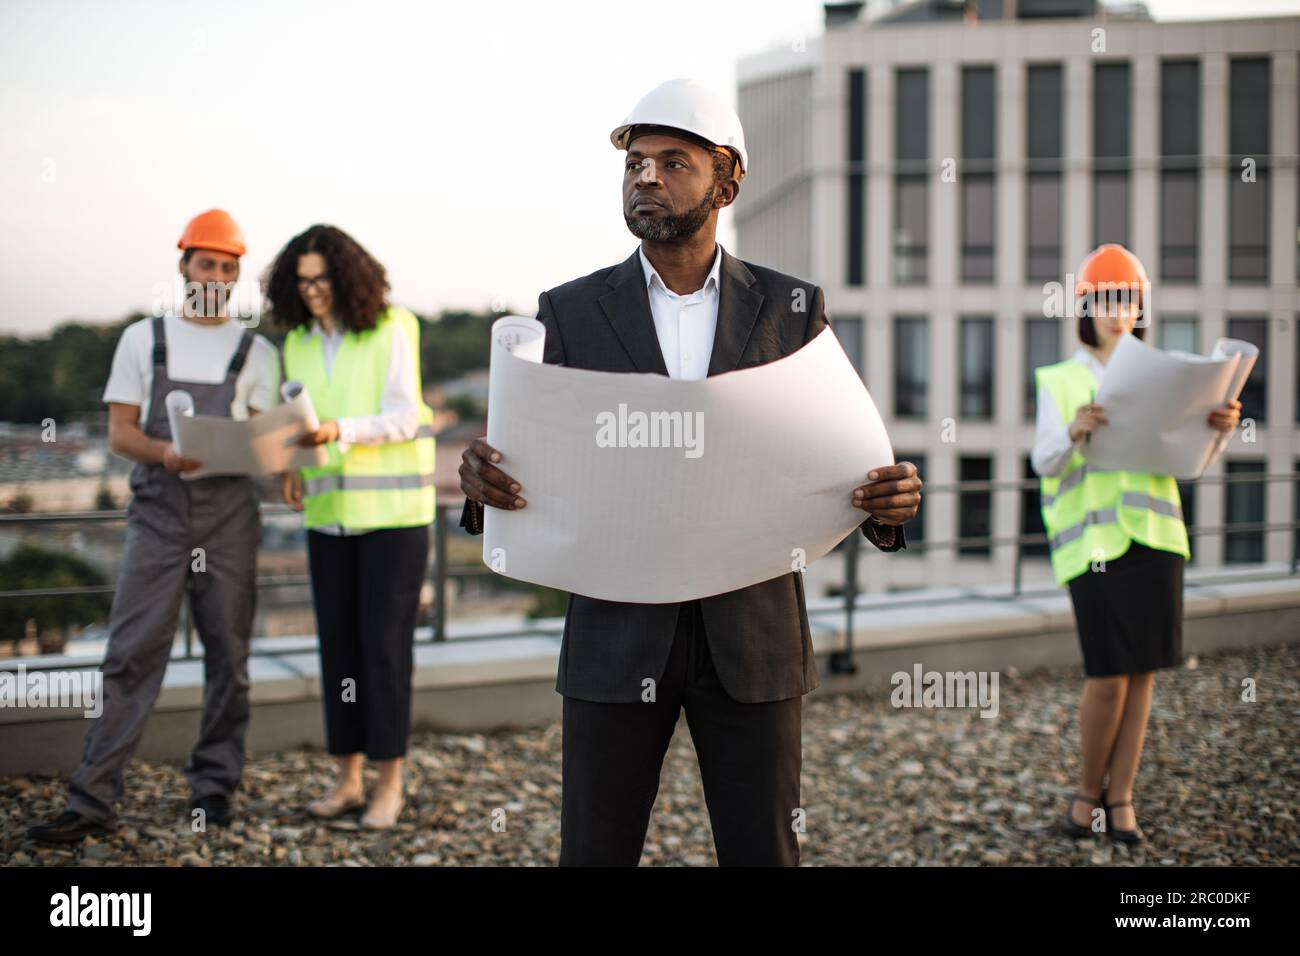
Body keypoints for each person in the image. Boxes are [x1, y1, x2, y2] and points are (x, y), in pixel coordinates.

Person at [459, 79, 922, 866]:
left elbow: (841, 454)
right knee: (595, 853)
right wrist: (484, 488)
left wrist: (886, 503)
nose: (646, 177)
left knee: (764, 854)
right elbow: (535, 454)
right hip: (616, 636)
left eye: (673, 163)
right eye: (636, 163)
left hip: (753, 635)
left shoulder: (793, 308)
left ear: (727, 182)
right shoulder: (567, 312)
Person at [28, 209, 281, 842]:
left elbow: (266, 445)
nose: (216, 277)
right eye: (206, 263)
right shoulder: (143, 339)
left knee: (230, 653)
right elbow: (120, 435)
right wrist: (166, 453)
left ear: (236, 275)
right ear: (184, 265)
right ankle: (92, 799)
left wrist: (272, 457)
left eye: (228, 267)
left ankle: (214, 787)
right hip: (159, 513)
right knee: (131, 653)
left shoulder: (256, 351)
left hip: (230, 516)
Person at [1032, 243, 1240, 845]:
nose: (1118, 313)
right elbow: (1044, 461)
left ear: (1140, 309)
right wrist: (1075, 431)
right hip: (1092, 546)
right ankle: (1083, 799)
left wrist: (1217, 431)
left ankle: (1120, 799)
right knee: (1107, 673)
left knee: (1143, 671)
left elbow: (1190, 464)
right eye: (1107, 301)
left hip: (1155, 539)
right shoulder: (1061, 379)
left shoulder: (1165, 372)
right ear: (1087, 308)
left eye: (1129, 302)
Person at [267, 224, 436, 831]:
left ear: (348, 275)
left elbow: (403, 417)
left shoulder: (394, 326)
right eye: (303, 281)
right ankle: (347, 780)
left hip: (393, 520)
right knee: (338, 650)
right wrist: (290, 462)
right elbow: (297, 422)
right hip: (327, 518)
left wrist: (340, 429)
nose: (313, 291)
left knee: (384, 653)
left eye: (322, 279)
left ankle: (389, 785)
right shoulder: (299, 344)